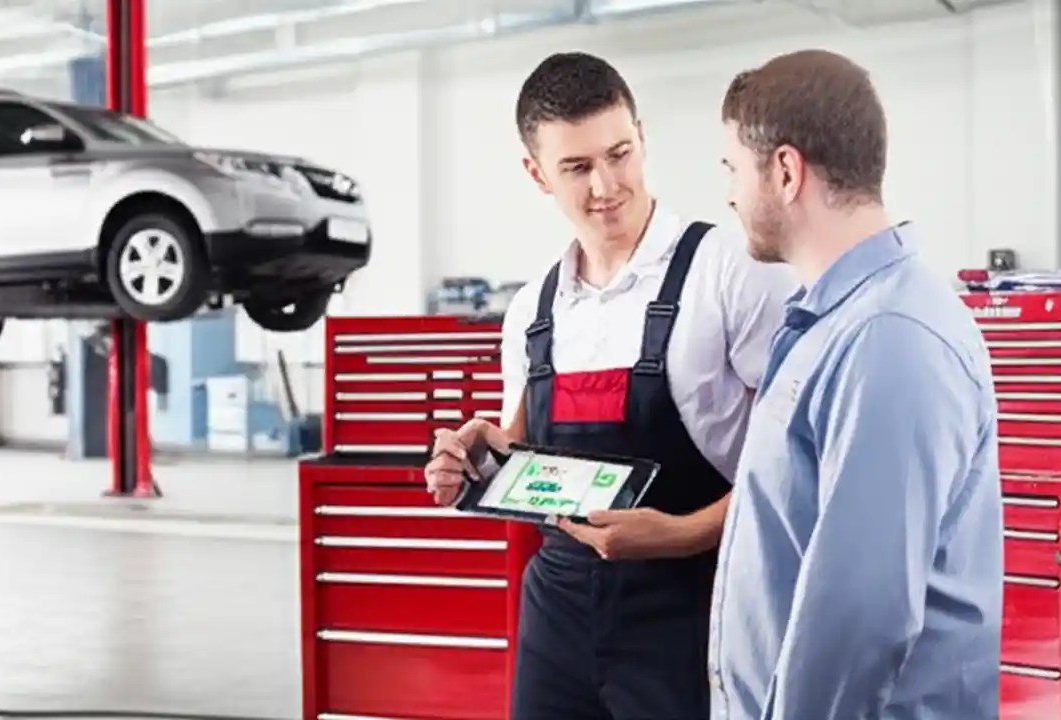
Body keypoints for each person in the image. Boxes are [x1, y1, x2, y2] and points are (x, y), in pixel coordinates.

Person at [424, 52, 797, 720]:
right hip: (559, 612)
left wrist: (680, 535)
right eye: (576, 167)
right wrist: (485, 456)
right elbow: (527, 446)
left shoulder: (733, 271)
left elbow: (799, 461)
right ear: (536, 173)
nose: (606, 184)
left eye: (620, 153)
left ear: (642, 136)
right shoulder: (532, 308)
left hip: (693, 604)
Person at [707, 49, 1003, 720]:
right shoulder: (832, 324)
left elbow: (859, 618)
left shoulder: (890, 337)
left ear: (785, 171)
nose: (726, 193)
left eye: (731, 168)